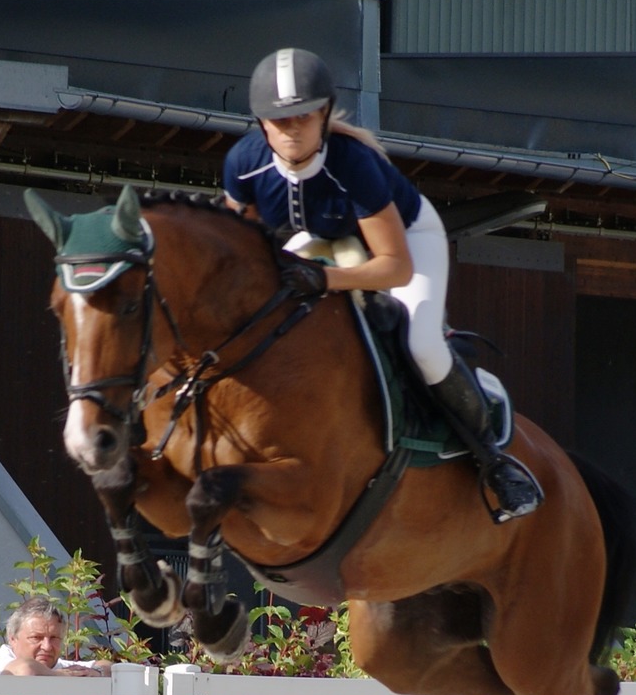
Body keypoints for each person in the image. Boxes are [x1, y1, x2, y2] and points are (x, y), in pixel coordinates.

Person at [222, 47, 542, 524]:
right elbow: (240, 251)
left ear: (324, 113)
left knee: (422, 344)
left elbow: (393, 267)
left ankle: (494, 462)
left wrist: (322, 278)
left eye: (304, 118)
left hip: (409, 242)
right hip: (327, 238)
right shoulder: (243, 163)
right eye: (278, 120)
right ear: (261, 123)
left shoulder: (352, 166)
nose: (291, 130)